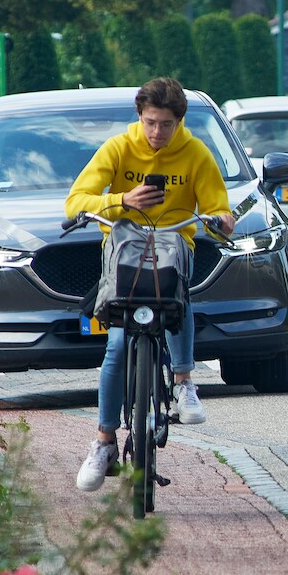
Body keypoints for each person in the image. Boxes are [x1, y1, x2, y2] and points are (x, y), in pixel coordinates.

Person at [66, 77, 237, 491]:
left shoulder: (196, 154)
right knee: (118, 344)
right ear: (139, 118)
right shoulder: (118, 148)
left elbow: (218, 210)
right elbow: (76, 202)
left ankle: (184, 382)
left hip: (173, 245)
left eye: (166, 124)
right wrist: (121, 201)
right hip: (125, 251)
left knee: (178, 292)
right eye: (150, 122)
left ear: (180, 122)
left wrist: (222, 221)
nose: (157, 132)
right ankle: (105, 441)